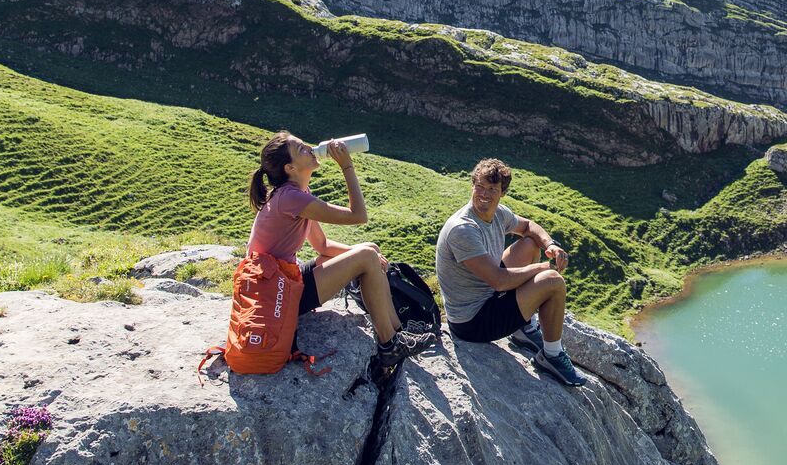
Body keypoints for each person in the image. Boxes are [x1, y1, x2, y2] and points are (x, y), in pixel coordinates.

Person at [247, 131, 431, 372]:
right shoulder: (291, 198)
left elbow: (321, 245)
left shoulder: (296, 195)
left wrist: (369, 255)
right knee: (365, 256)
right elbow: (358, 216)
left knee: (368, 250)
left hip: (279, 280)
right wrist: (346, 166)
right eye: (301, 149)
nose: (310, 149)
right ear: (290, 168)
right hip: (275, 293)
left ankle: (397, 332)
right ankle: (389, 345)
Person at [433, 158, 585, 387]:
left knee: (530, 243)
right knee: (553, 282)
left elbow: (527, 227)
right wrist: (545, 267)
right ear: (472, 185)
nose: (484, 194)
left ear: (502, 192)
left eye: (492, 189)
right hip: (472, 321)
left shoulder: (498, 214)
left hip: (488, 295)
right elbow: (499, 281)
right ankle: (552, 355)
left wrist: (549, 245)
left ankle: (523, 328)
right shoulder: (463, 229)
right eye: (479, 187)